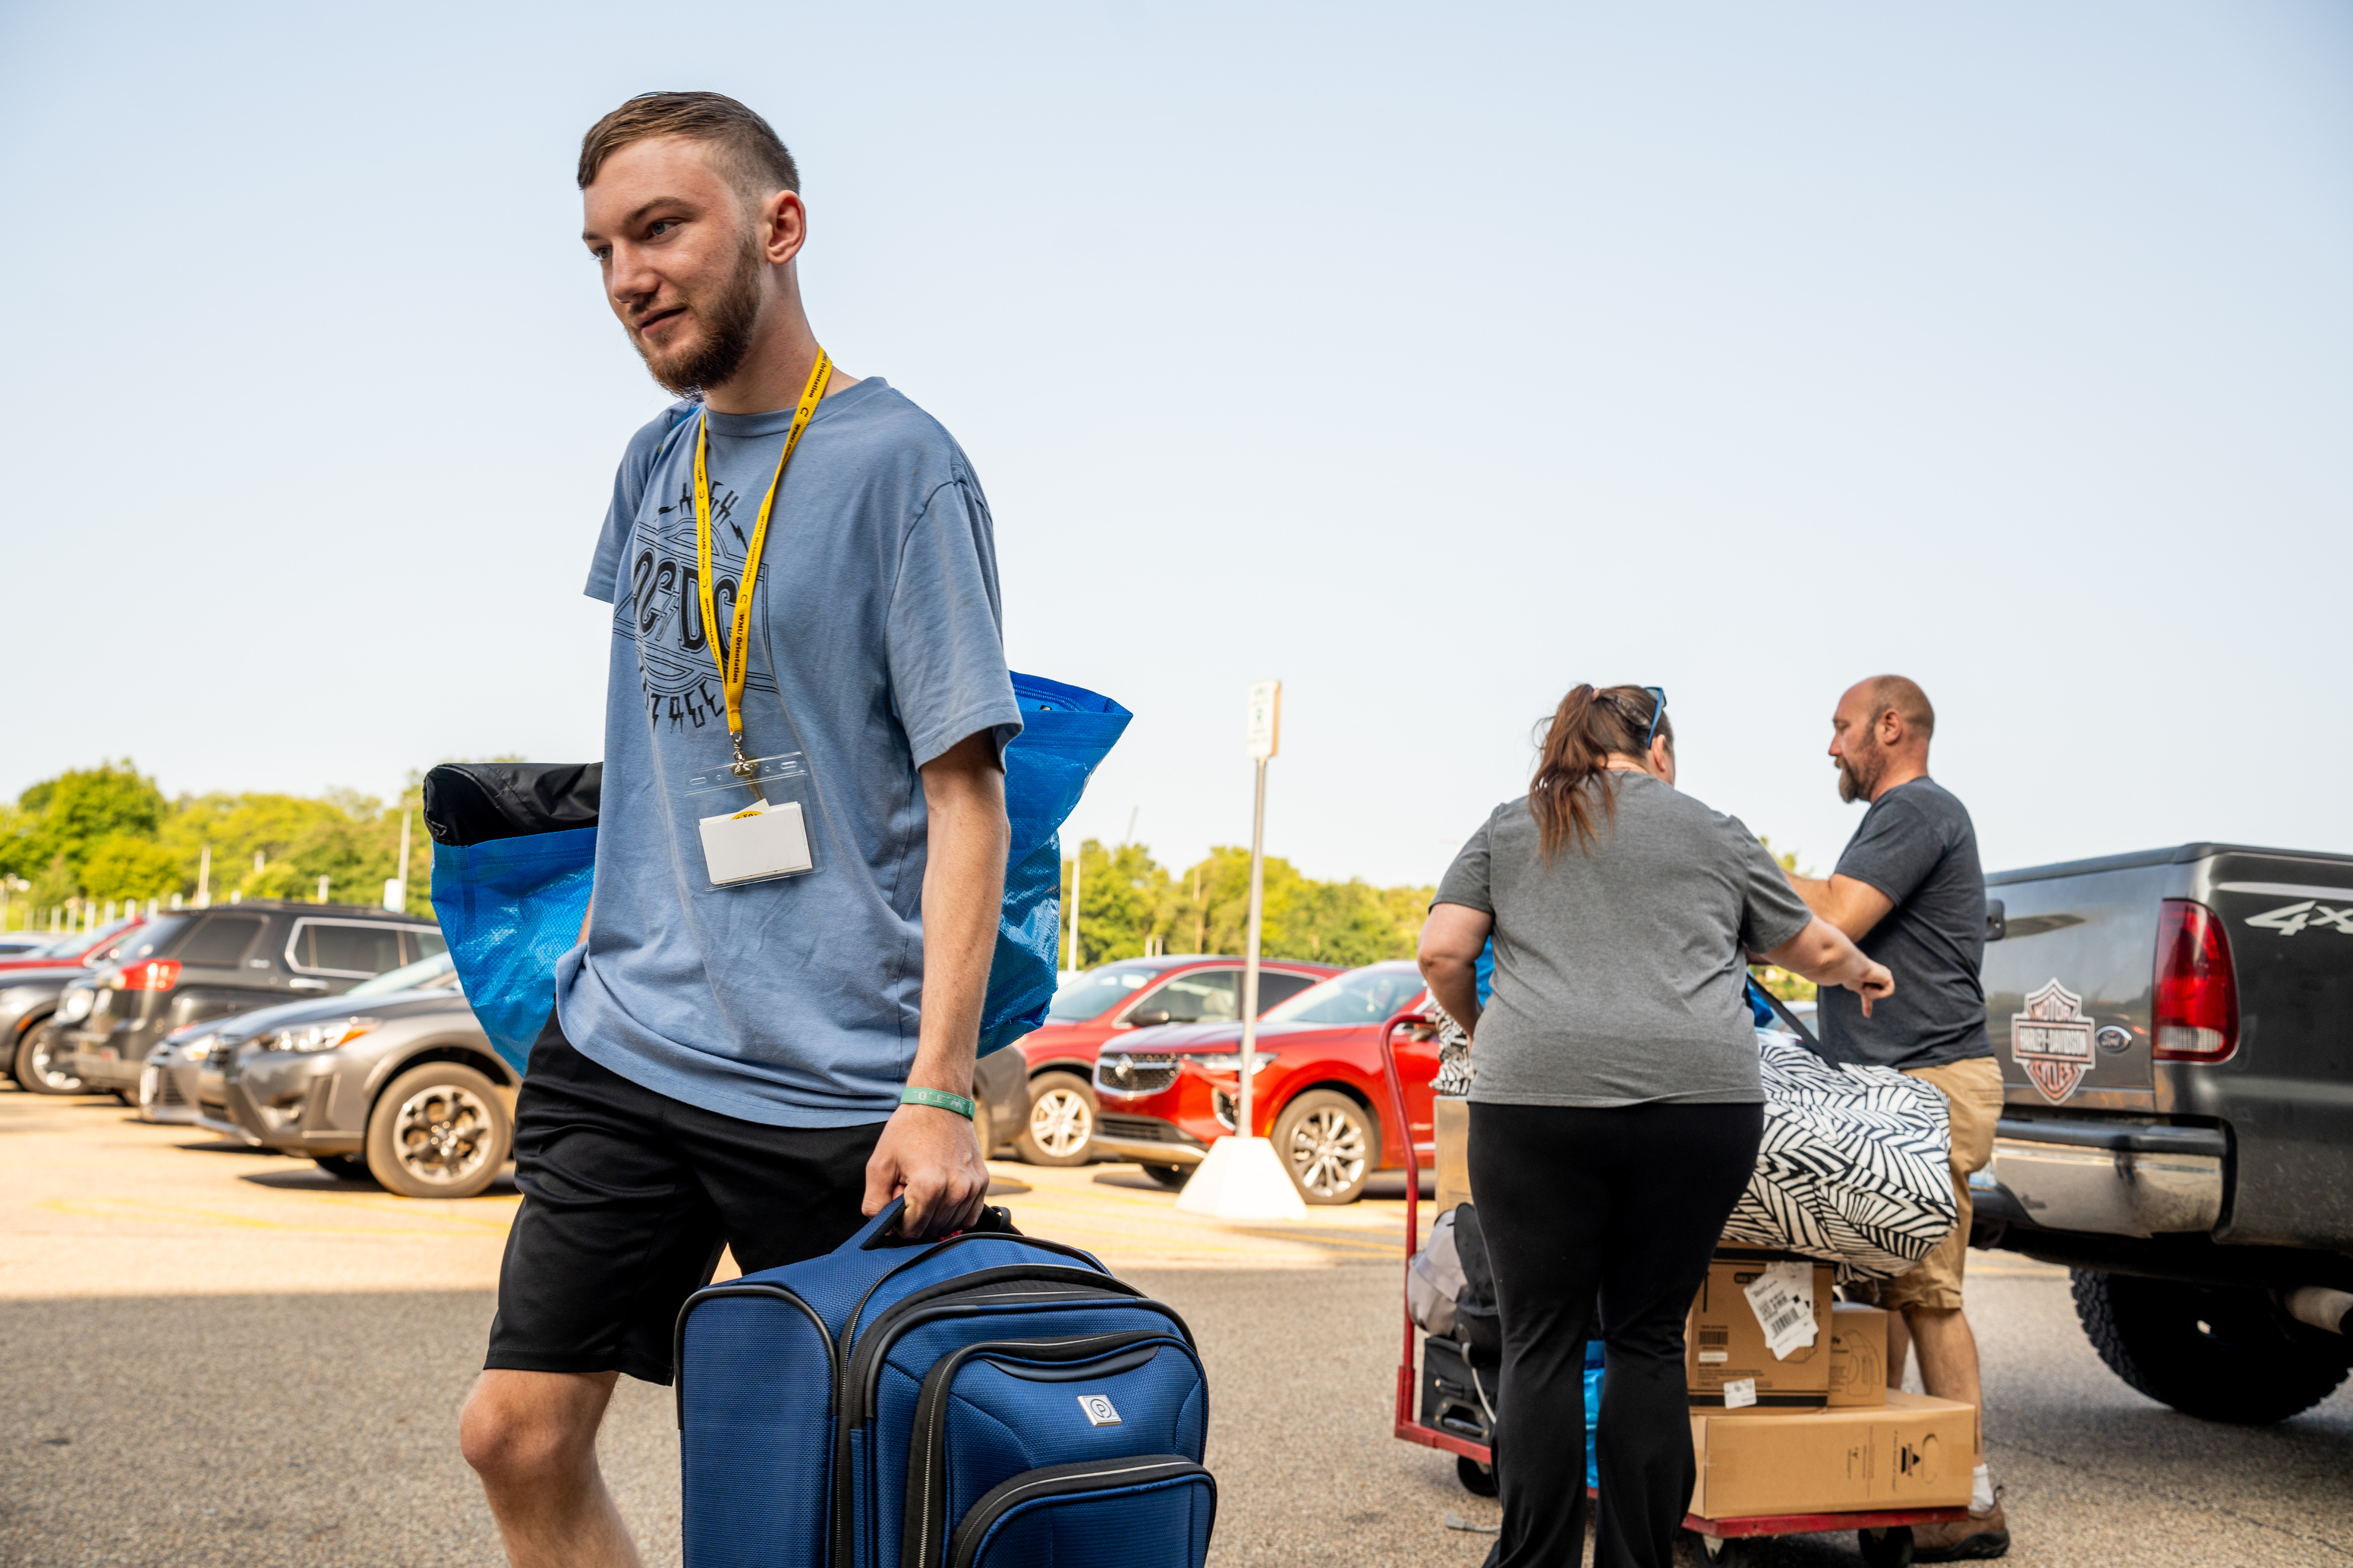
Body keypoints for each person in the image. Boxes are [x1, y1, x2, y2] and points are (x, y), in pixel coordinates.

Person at [456, 93, 1021, 1568]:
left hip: (835, 1083)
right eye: (598, 250)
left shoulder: (906, 469)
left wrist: (942, 1092)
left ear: (778, 225)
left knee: (875, 1492)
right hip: (629, 1038)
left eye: (659, 228)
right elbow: (680, 735)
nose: (626, 275)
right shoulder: (655, 466)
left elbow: (967, 797)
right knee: (514, 1434)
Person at [1418, 684, 1894, 1568]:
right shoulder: (1711, 828)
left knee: (1542, 1339)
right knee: (1645, 1337)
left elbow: (1443, 949)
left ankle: (1534, 1557)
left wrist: (1484, 1031)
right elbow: (1815, 948)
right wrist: (1866, 972)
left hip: (1534, 1107)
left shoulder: (1511, 824)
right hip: (1697, 1110)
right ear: (1659, 751)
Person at [1782, 675, 2008, 1561]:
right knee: (1876, 1290)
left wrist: (1727, 861)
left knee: (1925, 1292)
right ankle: (1880, 1479)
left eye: (1841, 728)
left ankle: (1967, 1500)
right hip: (1890, 1089)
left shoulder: (1916, 809)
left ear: (1889, 726)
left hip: (1929, 1087)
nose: (1831, 745)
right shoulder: (1893, 819)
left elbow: (1838, 913)